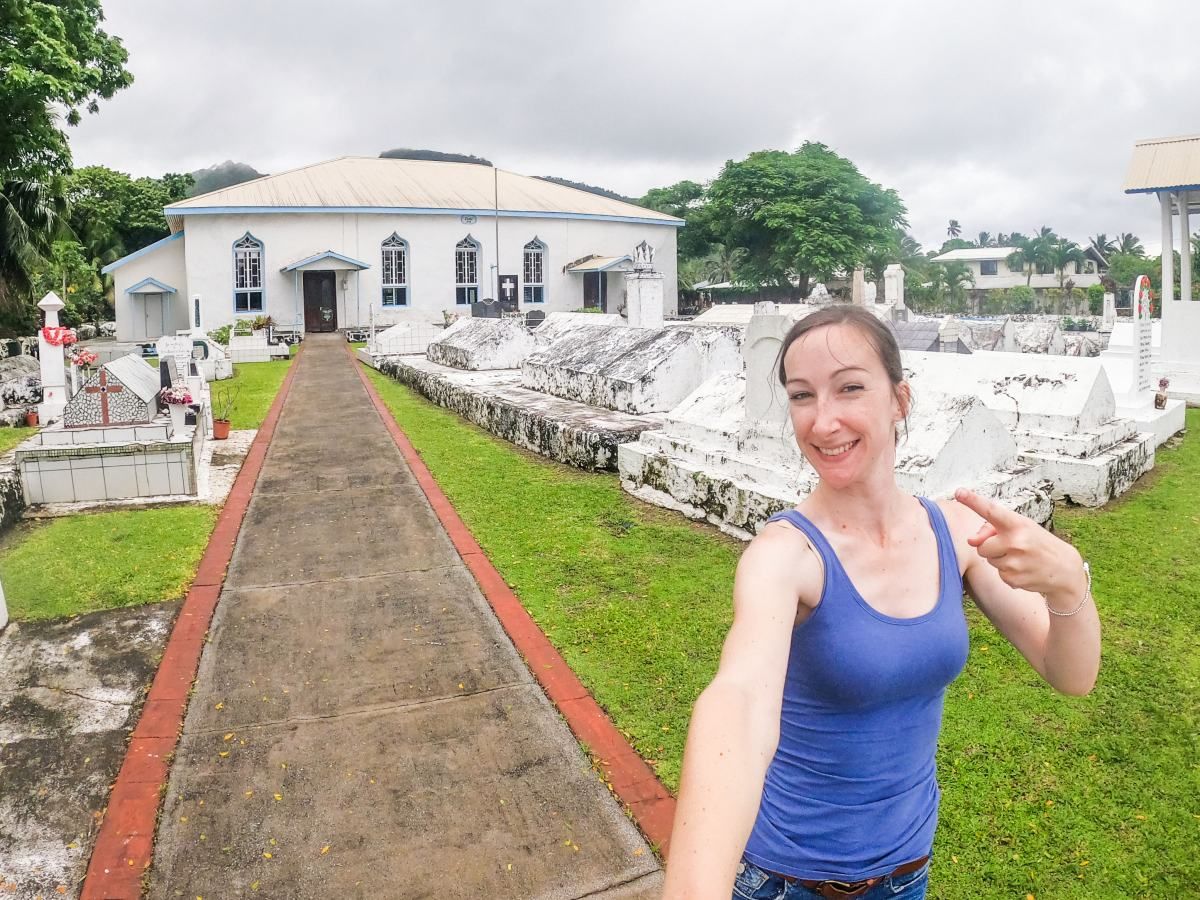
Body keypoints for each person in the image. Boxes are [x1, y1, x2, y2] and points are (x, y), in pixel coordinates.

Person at [661, 306, 1101, 900]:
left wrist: (1068, 585)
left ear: (899, 400)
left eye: (849, 388)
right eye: (801, 395)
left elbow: (1071, 674)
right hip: (784, 882)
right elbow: (738, 704)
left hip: (904, 874)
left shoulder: (957, 532)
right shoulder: (784, 555)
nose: (822, 422)